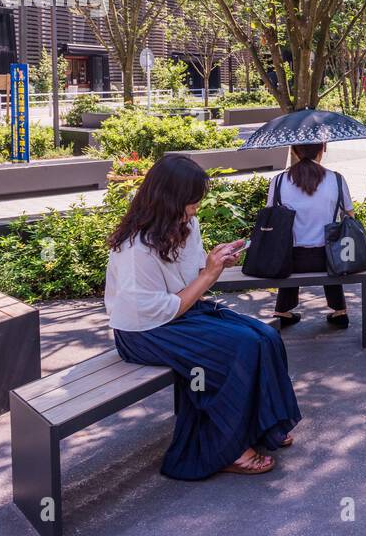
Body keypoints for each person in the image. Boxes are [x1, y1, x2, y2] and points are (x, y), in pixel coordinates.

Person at [105, 153, 301, 478]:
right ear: (168, 200)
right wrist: (208, 276)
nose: (196, 208)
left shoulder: (185, 224)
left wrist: (215, 262)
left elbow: (194, 276)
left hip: (180, 313)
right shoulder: (136, 249)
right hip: (143, 331)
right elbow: (160, 309)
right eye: (191, 201)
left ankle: (264, 426)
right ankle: (229, 447)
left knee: (265, 336)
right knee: (240, 348)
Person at [269, 142, 354, 327]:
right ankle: (339, 311)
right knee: (331, 240)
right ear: (323, 148)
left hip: (289, 261)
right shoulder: (336, 179)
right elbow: (350, 216)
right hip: (329, 260)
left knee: (288, 243)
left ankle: (282, 310)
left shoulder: (278, 181)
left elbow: (272, 218)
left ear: (294, 150)